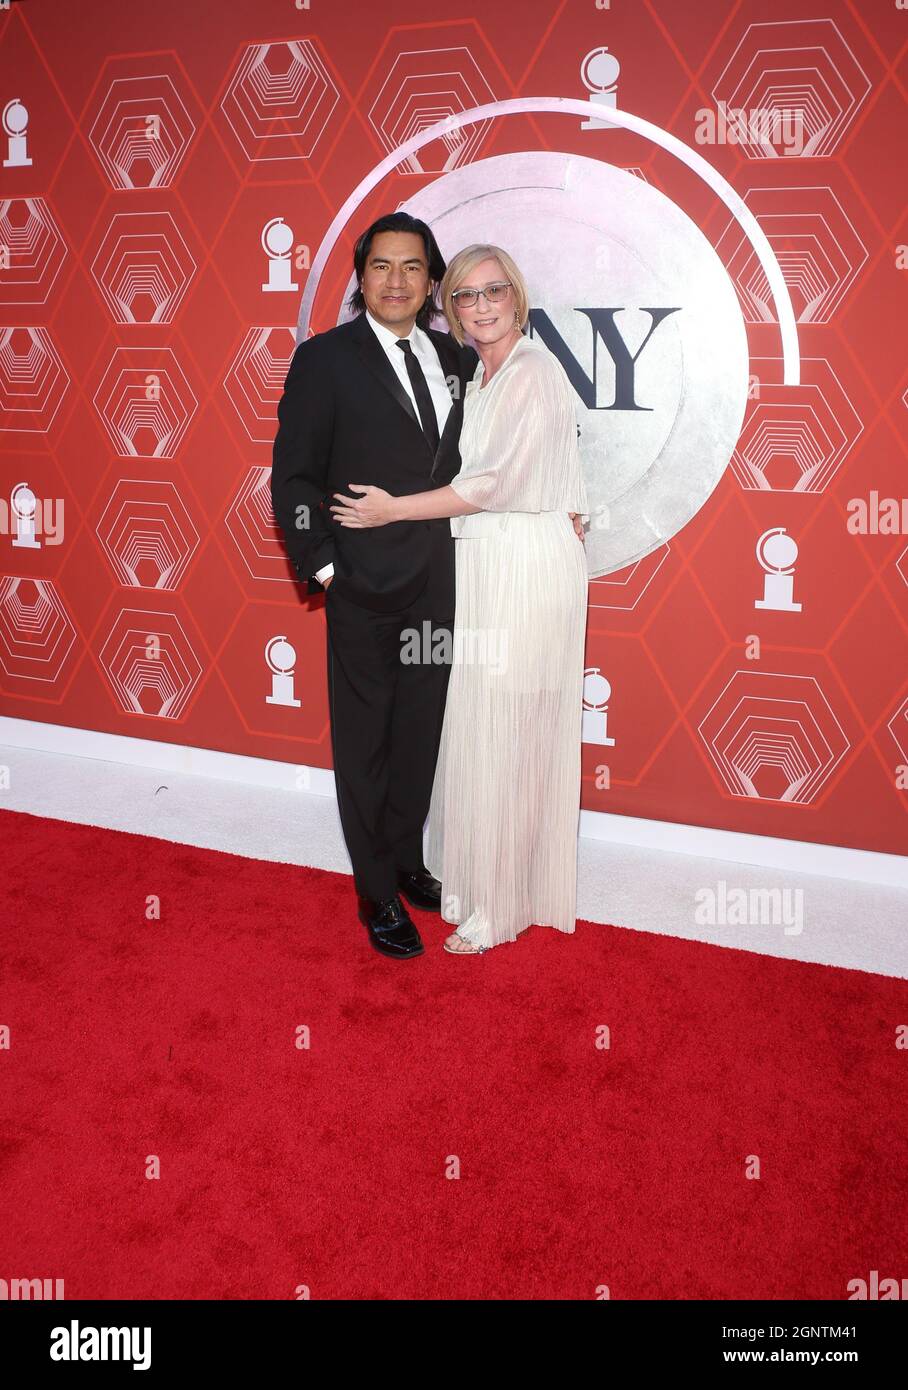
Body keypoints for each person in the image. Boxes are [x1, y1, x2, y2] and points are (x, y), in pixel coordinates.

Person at [330, 243, 589, 955]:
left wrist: (391, 511)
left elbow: (494, 484)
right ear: (450, 308)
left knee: (510, 727)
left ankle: (499, 908)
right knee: (483, 729)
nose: (479, 306)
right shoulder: (478, 373)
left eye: (492, 291)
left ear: (518, 293)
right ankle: (489, 883)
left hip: (522, 568)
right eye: (465, 296)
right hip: (479, 565)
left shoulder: (533, 370)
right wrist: (572, 501)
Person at [271, 212, 478, 960]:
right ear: (361, 278)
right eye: (382, 266)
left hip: (439, 582)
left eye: (413, 267)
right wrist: (325, 567)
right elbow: (293, 474)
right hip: (361, 583)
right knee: (365, 741)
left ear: (432, 280)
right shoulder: (324, 360)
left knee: (419, 730)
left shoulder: (457, 358)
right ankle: (375, 891)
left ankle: (405, 859)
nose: (397, 281)